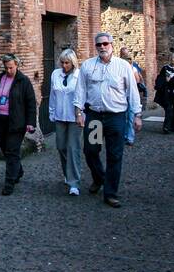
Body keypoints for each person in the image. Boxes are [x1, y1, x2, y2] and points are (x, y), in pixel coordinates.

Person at [74, 32, 142, 208]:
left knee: (114, 155)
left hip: (116, 117)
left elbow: (132, 92)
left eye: (105, 43)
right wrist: (78, 111)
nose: (102, 47)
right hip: (96, 117)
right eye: (99, 45)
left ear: (111, 44)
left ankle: (110, 193)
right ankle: (100, 177)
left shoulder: (123, 66)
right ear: (95, 46)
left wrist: (137, 115)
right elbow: (80, 89)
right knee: (91, 150)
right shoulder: (88, 66)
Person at [0, 53, 36, 196]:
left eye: (11, 68)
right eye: (6, 67)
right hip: (0, 119)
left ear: (16, 65)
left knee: (12, 150)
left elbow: (31, 103)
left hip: (17, 121)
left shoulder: (23, 81)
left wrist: (31, 122)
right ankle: (18, 171)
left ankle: (9, 183)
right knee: (4, 148)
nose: (8, 71)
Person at [48, 49, 83, 196]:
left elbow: (82, 96)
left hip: (74, 117)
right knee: (61, 147)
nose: (64, 65)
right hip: (60, 116)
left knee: (72, 148)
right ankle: (67, 173)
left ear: (73, 62)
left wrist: (80, 114)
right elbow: (52, 94)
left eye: (67, 62)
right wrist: (51, 111)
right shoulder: (55, 74)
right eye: (62, 62)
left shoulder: (79, 75)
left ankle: (74, 182)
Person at [154, 53, 174, 132]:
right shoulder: (165, 68)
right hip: (168, 93)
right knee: (168, 109)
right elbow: (160, 79)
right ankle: (167, 127)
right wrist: (166, 80)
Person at [120, 48, 147, 145]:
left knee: (130, 117)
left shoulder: (133, 68)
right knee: (124, 117)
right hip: (122, 96)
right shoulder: (119, 68)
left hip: (130, 95)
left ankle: (129, 137)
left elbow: (137, 80)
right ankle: (125, 136)